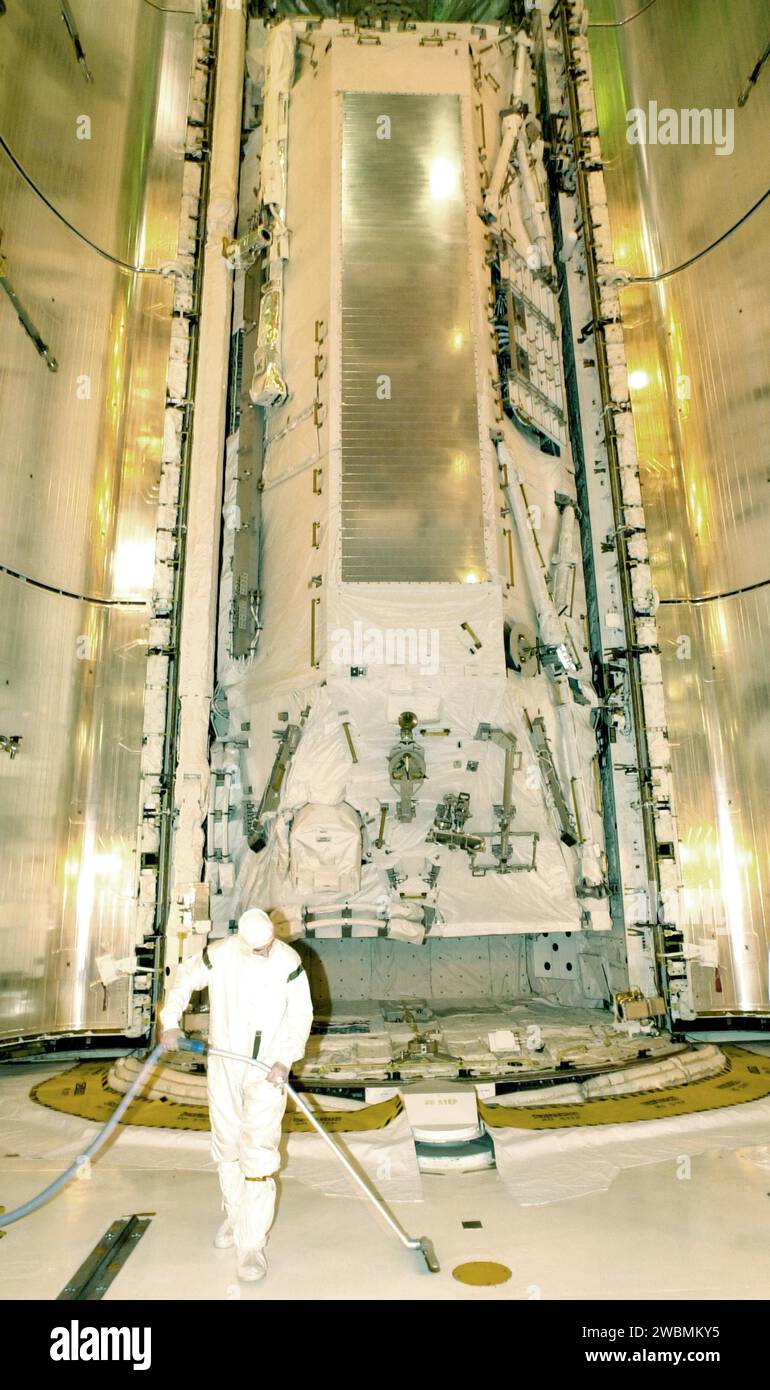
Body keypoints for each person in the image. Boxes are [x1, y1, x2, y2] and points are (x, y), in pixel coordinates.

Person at [159, 908, 313, 1282]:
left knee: (258, 1154)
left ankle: (251, 1244)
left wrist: (285, 1059)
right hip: (225, 1063)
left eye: (268, 945)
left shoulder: (288, 961)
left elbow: (301, 1013)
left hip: (266, 1071)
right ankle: (235, 1217)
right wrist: (170, 1023)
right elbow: (183, 979)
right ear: (242, 942)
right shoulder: (222, 954)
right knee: (226, 1146)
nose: (264, 953)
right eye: (257, 948)